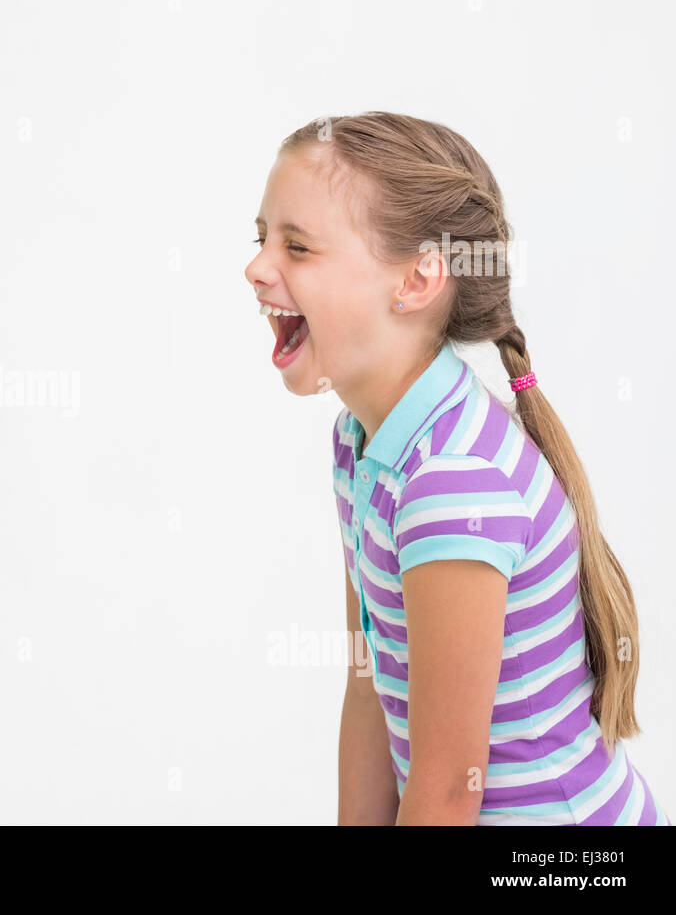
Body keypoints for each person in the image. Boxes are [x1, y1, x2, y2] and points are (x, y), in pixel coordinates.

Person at [247, 111, 669, 825]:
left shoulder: (452, 482)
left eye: (299, 247)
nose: (258, 268)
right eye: (262, 239)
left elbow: (448, 788)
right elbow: (370, 686)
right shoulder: (361, 443)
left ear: (417, 279)